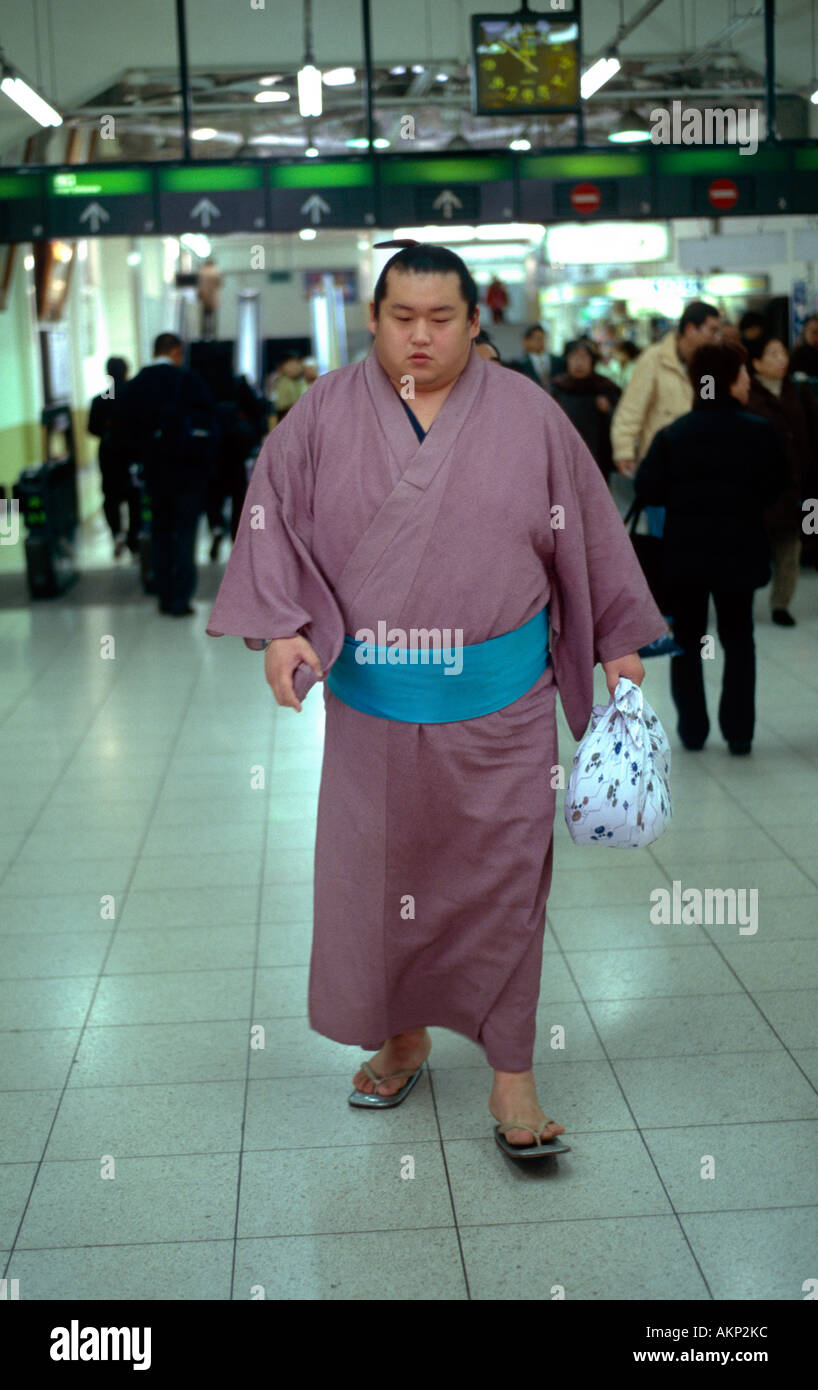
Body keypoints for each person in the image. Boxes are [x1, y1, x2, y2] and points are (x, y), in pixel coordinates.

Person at [205, 240, 666, 1156]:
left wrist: (616, 638)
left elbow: (592, 533)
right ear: (372, 319)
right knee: (380, 889)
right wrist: (285, 627)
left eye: (441, 319)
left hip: (504, 706)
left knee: (503, 890)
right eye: (402, 317)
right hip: (374, 707)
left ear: (473, 322)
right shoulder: (321, 416)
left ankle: (512, 1075)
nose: (421, 336)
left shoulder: (529, 417)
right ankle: (400, 1035)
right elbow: (270, 525)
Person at [634, 342, 786, 755]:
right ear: (728, 379)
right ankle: (739, 732)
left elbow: (648, 487)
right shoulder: (759, 431)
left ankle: (693, 730)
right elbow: (776, 489)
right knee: (739, 639)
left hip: (687, 557)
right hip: (739, 553)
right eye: (741, 373)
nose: (747, 380)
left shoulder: (674, 434)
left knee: (688, 640)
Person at [116, 332, 218, 616]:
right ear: (175, 351)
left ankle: (163, 593)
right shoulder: (189, 381)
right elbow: (210, 424)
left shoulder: (135, 386)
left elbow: (123, 434)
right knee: (185, 535)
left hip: (155, 475)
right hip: (189, 474)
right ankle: (181, 598)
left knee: (160, 533)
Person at [746, 334, 818, 626]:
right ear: (756, 362)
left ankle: (781, 604)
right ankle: (745, 599)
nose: (781, 359)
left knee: (790, 547)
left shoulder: (798, 391)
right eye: (772, 354)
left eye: (782, 353)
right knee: (755, 549)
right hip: (759, 487)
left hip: (795, 483)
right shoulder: (748, 394)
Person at [611, 301, 721, 482]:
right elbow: (632, 409)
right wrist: (624, 451)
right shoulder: (654, 359)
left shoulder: (708, 365)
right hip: (660, 464)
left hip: (699, 466)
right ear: (691, 328)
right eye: (712, 330)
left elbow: (708, 407)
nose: (716, 337)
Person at [207, 374, 268, 561]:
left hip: (216, 455)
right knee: (238, 497)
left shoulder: (208, 387)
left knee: (214, 496)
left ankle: (216, 525)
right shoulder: (241, 386)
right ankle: (236, 539)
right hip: (237, 456)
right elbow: (258, 413)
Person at [87, 356, 139, 559]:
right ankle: (134, 541)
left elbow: (92, 429)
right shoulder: (136, 396)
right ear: (127, 371)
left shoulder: (100, 400)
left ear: (107, 373)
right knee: (134, 497)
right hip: (133, 454)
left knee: (111, 497)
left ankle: (117, 533)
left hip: (108, 455)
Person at [548, 339, 621, 481]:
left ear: (592, 361)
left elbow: (622, 420)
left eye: (584, 358)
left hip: (598, 455)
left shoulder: (606, 388)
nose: (578, 363)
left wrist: (608, 410)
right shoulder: (558, 388)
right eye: (574, 357)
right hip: (565, 454)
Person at [273, 355, 307, 420]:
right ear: (282, 367)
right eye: (291, 364)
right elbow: (280, 407)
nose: (295, 367)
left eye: (298, 363)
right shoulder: (282, 383)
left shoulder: (302, 382)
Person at [197, 258, 222, 339]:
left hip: (205, 296)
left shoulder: (202, 271)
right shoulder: (216, 271)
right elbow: (219, 283)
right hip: (213, 296)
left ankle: (204, 334)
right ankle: (213, 335)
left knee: (205, 317)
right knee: (212, 317)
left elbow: (200, 285)